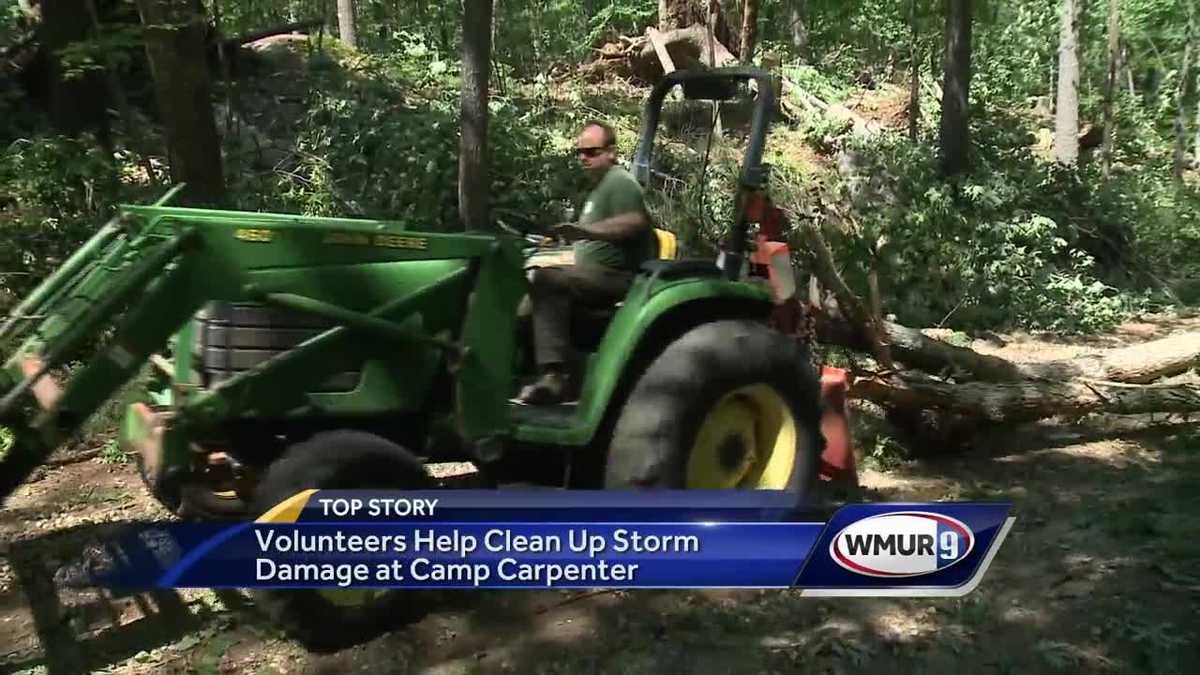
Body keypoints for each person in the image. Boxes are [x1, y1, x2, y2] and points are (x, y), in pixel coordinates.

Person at [515, 121, 657, 405]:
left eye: (591, 151)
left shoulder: (620, 182)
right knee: (524, 292)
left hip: (616, 277)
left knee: (547, 281)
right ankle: (532, 376)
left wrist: (584, 232)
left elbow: (635, 222)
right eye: (580, 152)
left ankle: (554, 378)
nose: (583, 157)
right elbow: (591, 241)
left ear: (611, 152)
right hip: (592, 274)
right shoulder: (598, 190)